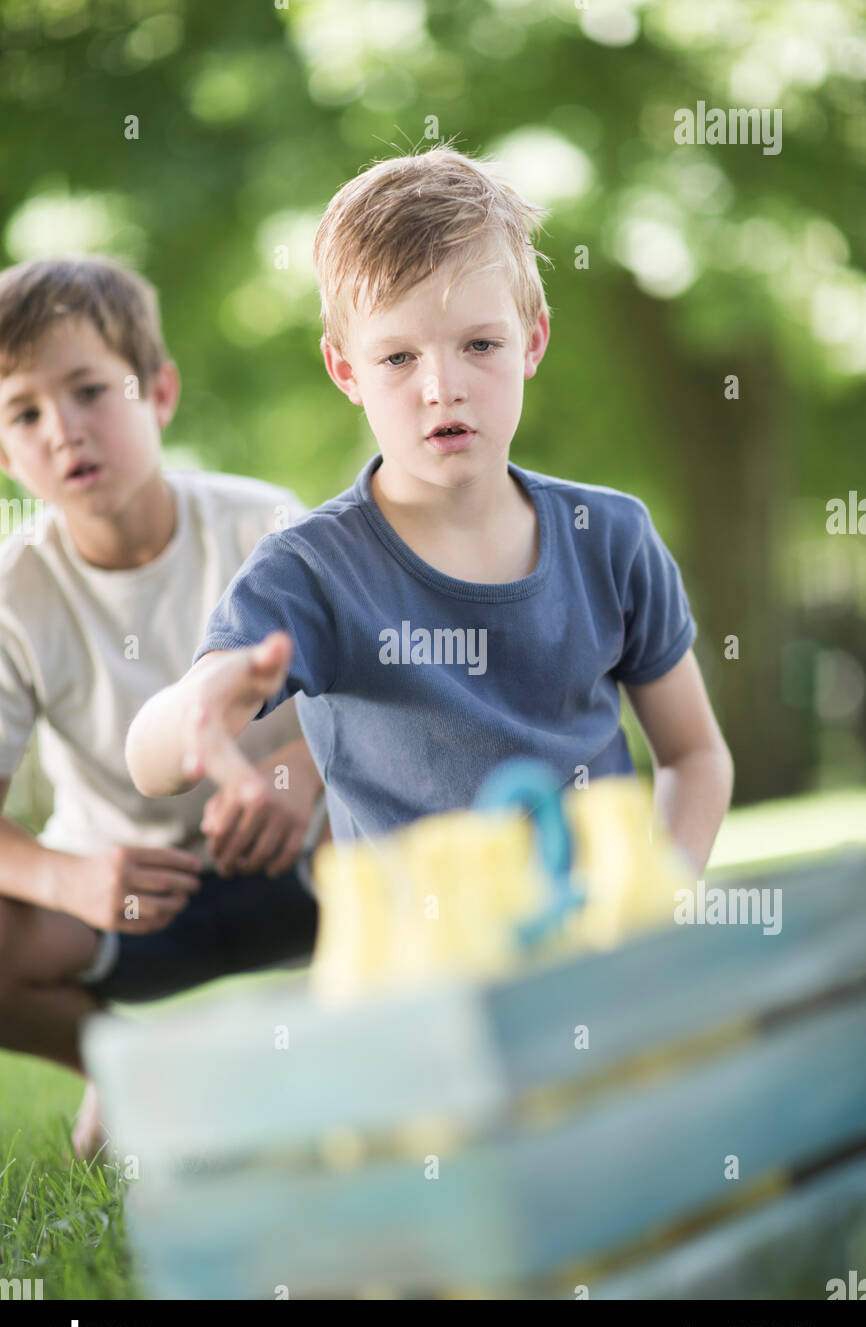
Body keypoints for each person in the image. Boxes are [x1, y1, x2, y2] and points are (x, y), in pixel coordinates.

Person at [126, 142, 734, 895]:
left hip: (597, 966)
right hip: (426, 984)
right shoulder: (310, 572)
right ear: (345, 371)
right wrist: (196, 708)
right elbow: (150, 766)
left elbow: (694, 756)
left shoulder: (611, 538)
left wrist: (664, 892)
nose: (442, 387)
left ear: (532, 341)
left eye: (480, 345)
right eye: (397, 359)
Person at [0, 258, 327, 1158]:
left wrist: (301, 779)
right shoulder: (13, 593)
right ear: (2, 451)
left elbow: (387, 703)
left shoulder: (266, 528)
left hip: (296, 856)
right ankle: (122, 1069)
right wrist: (69, 879)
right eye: (23, 412)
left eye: (90, 391)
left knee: (412, 828)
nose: (63, 430)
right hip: (123, 899)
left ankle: (358, 1053)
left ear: (161, 393)